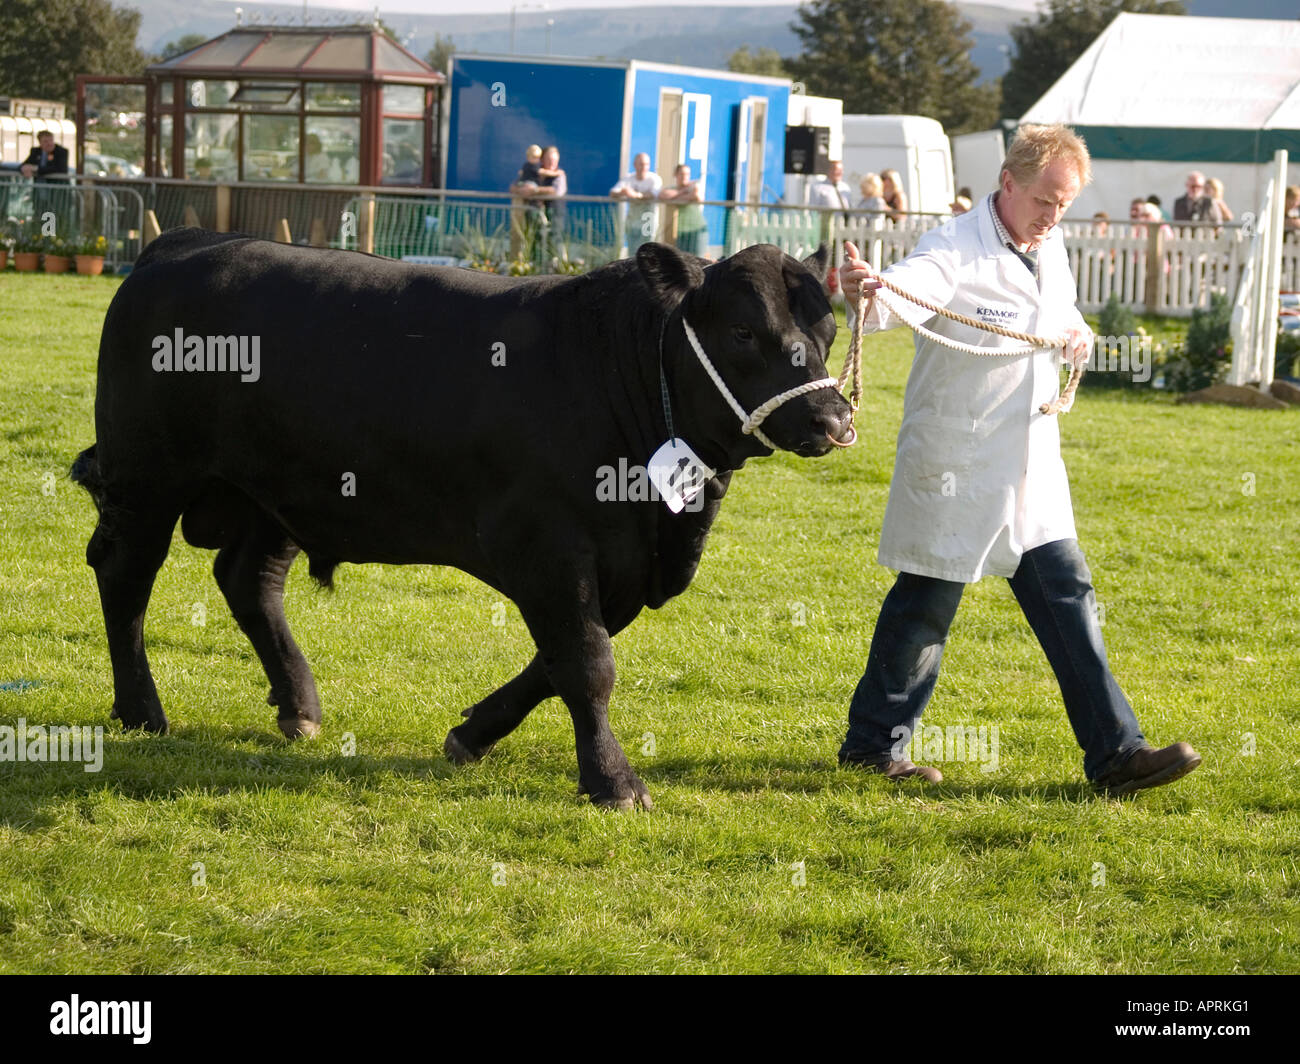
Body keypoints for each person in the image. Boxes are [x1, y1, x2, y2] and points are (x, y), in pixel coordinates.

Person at [836, 123, 1200, 796]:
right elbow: (905, 290)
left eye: (1064, 203)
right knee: (925, 609)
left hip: (1032, 470)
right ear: (1008, 183)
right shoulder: (955, 247)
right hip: (958, 466)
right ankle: (870, 749)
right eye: (1044, 200)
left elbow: (1061, 314)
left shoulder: (1049, 245)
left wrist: (1077, 338)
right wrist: (868, 288)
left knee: (1070, 601)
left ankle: (1117, 756)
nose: (1054, 215)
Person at [610, 151, 663, 254]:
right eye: (641, 164)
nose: (644, 167)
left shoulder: (654, 179)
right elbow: (613, 193)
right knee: (632, 252)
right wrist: (623, 192)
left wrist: (635, 195)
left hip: (648, 221)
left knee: (647, 251)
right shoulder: (629, 178)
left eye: (646, 164)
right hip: (632, 221)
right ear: (635, 165)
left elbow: (652, 194)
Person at [659, 162, 707, 257]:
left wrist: (675, 198)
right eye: (682, 174)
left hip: (696, 230)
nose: (685, 176)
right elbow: (663, 195)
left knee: (698, 260)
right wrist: (683, 192)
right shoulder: (672, 188)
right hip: (679, 232)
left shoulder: (695, 186)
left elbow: (696, 196)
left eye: (687, 174)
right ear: (675, 175)